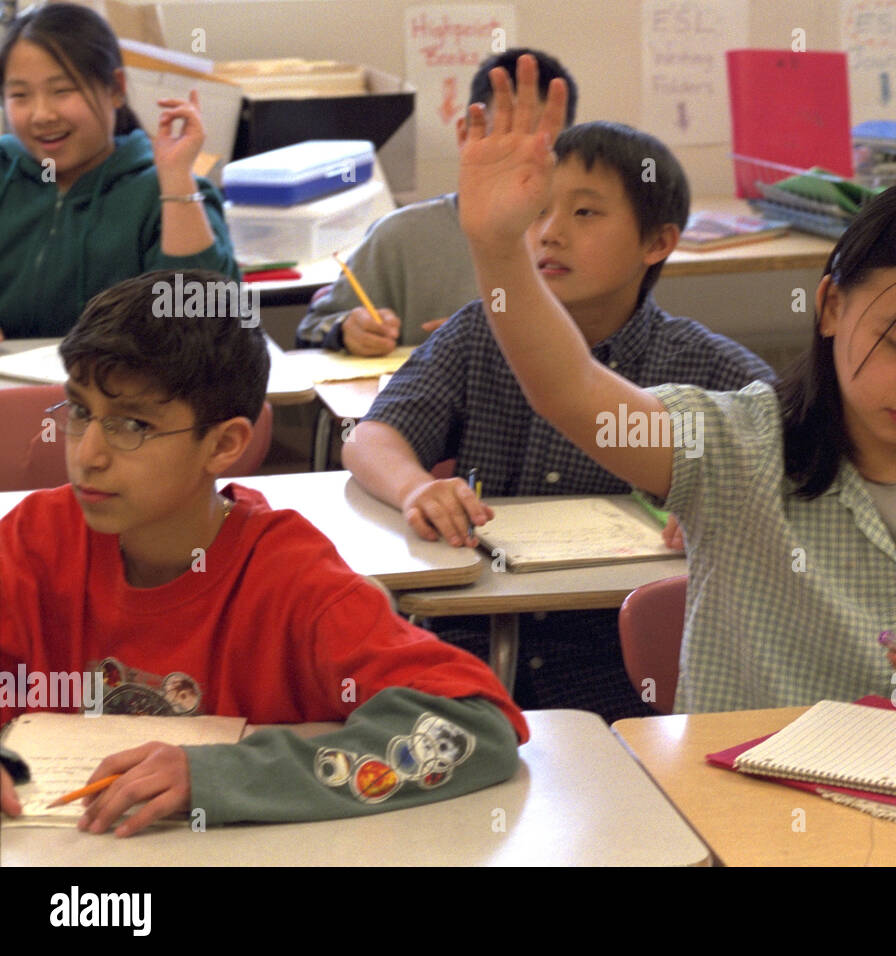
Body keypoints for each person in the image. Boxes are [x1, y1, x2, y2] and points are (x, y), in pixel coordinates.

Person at [453, 56, 896, 713]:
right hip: (756, 796)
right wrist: (499, 247)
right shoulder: (739, 444)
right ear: (830, 308)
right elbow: (570, 390)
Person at [0, 270, 526, 837]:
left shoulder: (288, 576)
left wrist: (225, 776)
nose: (89, 454)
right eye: (80, 412)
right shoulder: (38, 538)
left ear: (225, 445)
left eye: (133, 425)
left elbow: (475, 726)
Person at [344, 117, 774, 722]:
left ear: (658, 243)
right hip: (467, 657)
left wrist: (720, 500)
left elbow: (796, 462)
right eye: (538, 210)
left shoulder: (702, 363)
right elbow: (371, 435)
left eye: (585, 214)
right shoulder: (478, 331)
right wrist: (416, 486)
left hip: (615, 673)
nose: (549, 234)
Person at [295, 48, 578, 355]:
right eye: (503, 138)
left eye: (542, 144)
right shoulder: (401, 236)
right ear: (464, 135)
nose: (520, 159)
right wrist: (348, 330)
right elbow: (310, 331)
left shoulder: (578, 240)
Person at [0, 3, 238, 340]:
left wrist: (175, 180)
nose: (41, 115)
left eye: (62, 91)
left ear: (115, 89)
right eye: (20, 95)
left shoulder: (163, 192)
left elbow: (210, 330)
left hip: (129, 391)